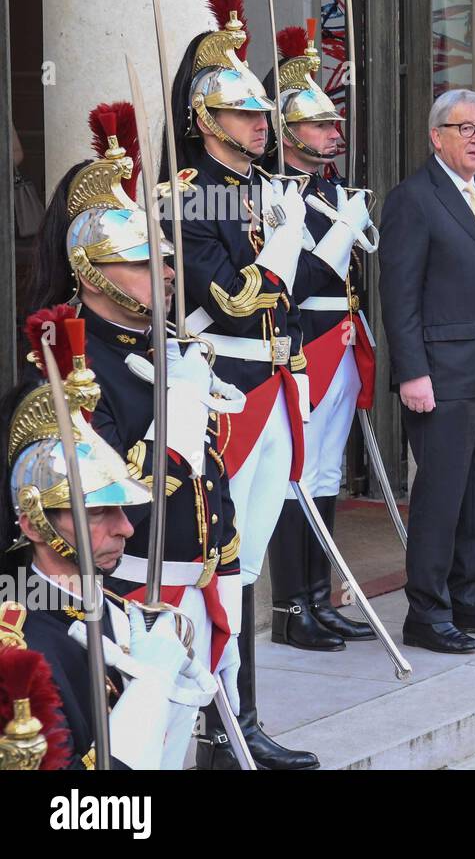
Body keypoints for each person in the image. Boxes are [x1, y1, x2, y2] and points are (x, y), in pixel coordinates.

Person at [29, 101, 246, 766]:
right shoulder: (73, 363)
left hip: (197, 565)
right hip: (134, 582)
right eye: (147, 260)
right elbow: (96, 492)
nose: (170, 272)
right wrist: (173, 436)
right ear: (93, 271)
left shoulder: (160, 343)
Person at [163, 0, 318, 769]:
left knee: (248, 561)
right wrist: (287, 250)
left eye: (264, 114)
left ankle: (240, 717)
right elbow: (227, 301)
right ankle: (220, 729)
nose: (262, 125)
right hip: (225, 390)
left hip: (275, 388)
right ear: (204, 119)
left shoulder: (267, 189)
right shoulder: (185, 200)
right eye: (246, 114)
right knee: (218, 564)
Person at [1, 309, 214, 770]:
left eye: (121, 509)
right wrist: (152, 685)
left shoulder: (115, 608)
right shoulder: (18, 649)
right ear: (34, 523)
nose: (126, 528)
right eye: (97, 513)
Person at [379, 89, 475, 654]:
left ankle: (472, 597)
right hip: (442, 375)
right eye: (464, 128)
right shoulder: (413, 200)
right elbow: (400, 295)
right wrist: (412, 372)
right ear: (435, 135)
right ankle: (427, 612)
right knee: (441, 497)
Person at [261, 21, 378, 651]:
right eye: (319, 125)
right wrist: (339, 234)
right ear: (286, 131)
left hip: (341, 337)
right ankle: (287, 610)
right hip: (304, 338)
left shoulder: (330, 187)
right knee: (295, 474)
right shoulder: (275, 193)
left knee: (327, 471)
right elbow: (294, 281)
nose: (334, 133)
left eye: (334, 124)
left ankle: (318, 596)